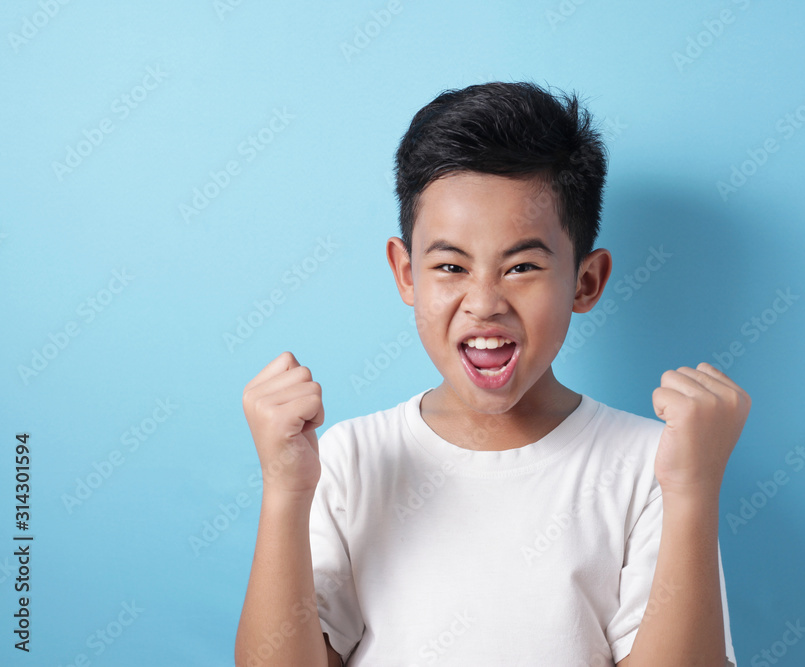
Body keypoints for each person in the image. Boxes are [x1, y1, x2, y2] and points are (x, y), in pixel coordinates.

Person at [235, 81, 751, 667]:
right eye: (451, 265)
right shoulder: (350, 458)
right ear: (406, 274)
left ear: (586, 282)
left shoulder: (655, 466)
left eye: (522, 266)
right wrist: (283, 489)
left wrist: (693, 490)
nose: (484, 303)